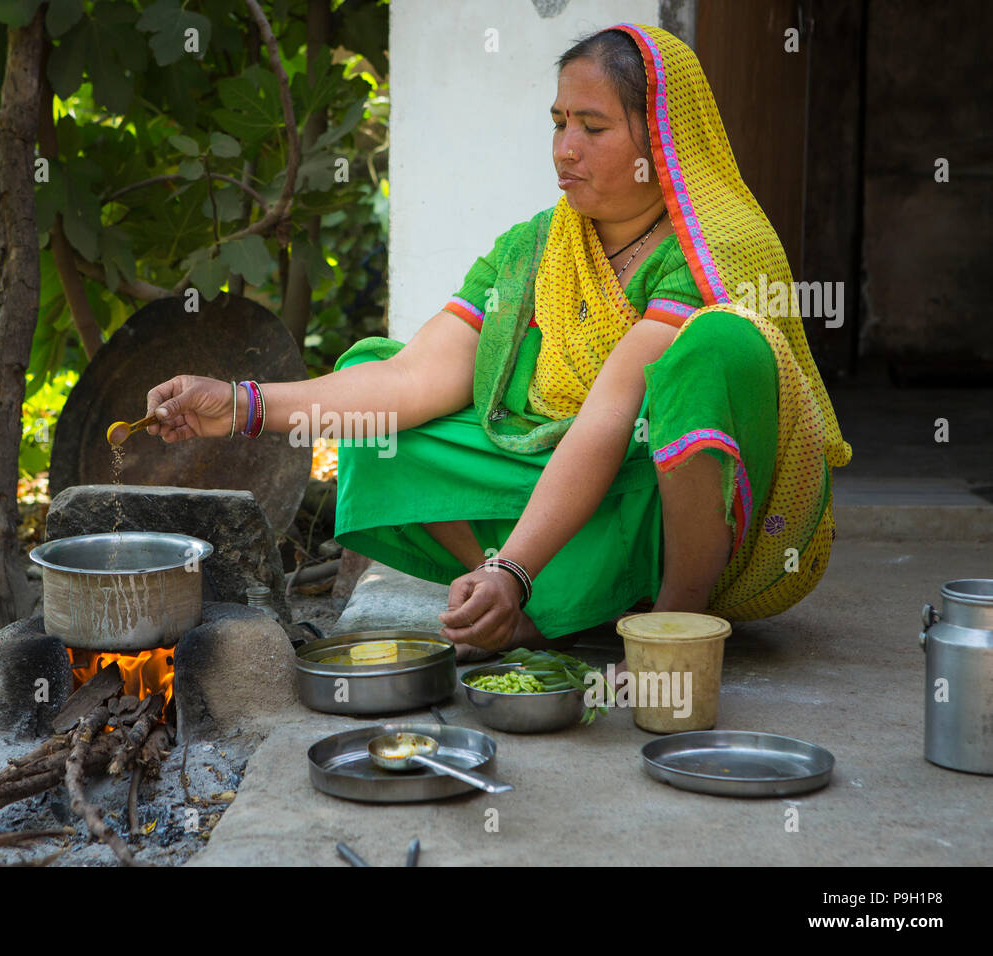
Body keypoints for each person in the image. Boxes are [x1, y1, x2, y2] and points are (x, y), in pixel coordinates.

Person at [144, 24, 852, 660]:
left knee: (715, 345)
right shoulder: (534, 248)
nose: (564, 149)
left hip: (664, 495)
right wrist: (238, 405)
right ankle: (528, 606)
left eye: (594, 128)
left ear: (660, 136)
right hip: (559, 477)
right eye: (558, 122)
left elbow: (609, 419)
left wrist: (513, 565)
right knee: (373, 388)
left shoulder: (708, 249)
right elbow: (412, 381)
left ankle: (668, 632)